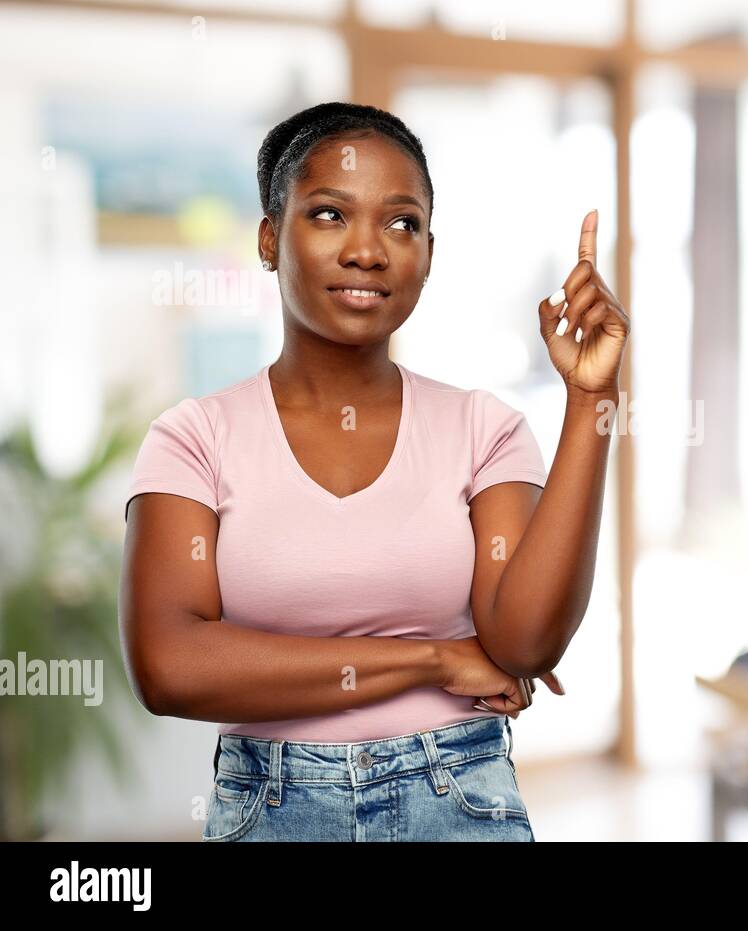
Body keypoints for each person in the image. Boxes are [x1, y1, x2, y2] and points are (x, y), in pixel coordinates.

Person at [118, 101, 629, 841]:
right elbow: (169, 666)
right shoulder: (194, 438)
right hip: (271, 809)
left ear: (428, 250)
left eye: (401, 223)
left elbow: (525, 644)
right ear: (270, 238)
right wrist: (433, 660)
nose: (368, 250)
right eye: (329, 215)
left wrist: (591, 395)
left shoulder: (483, 429)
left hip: (461, 798)